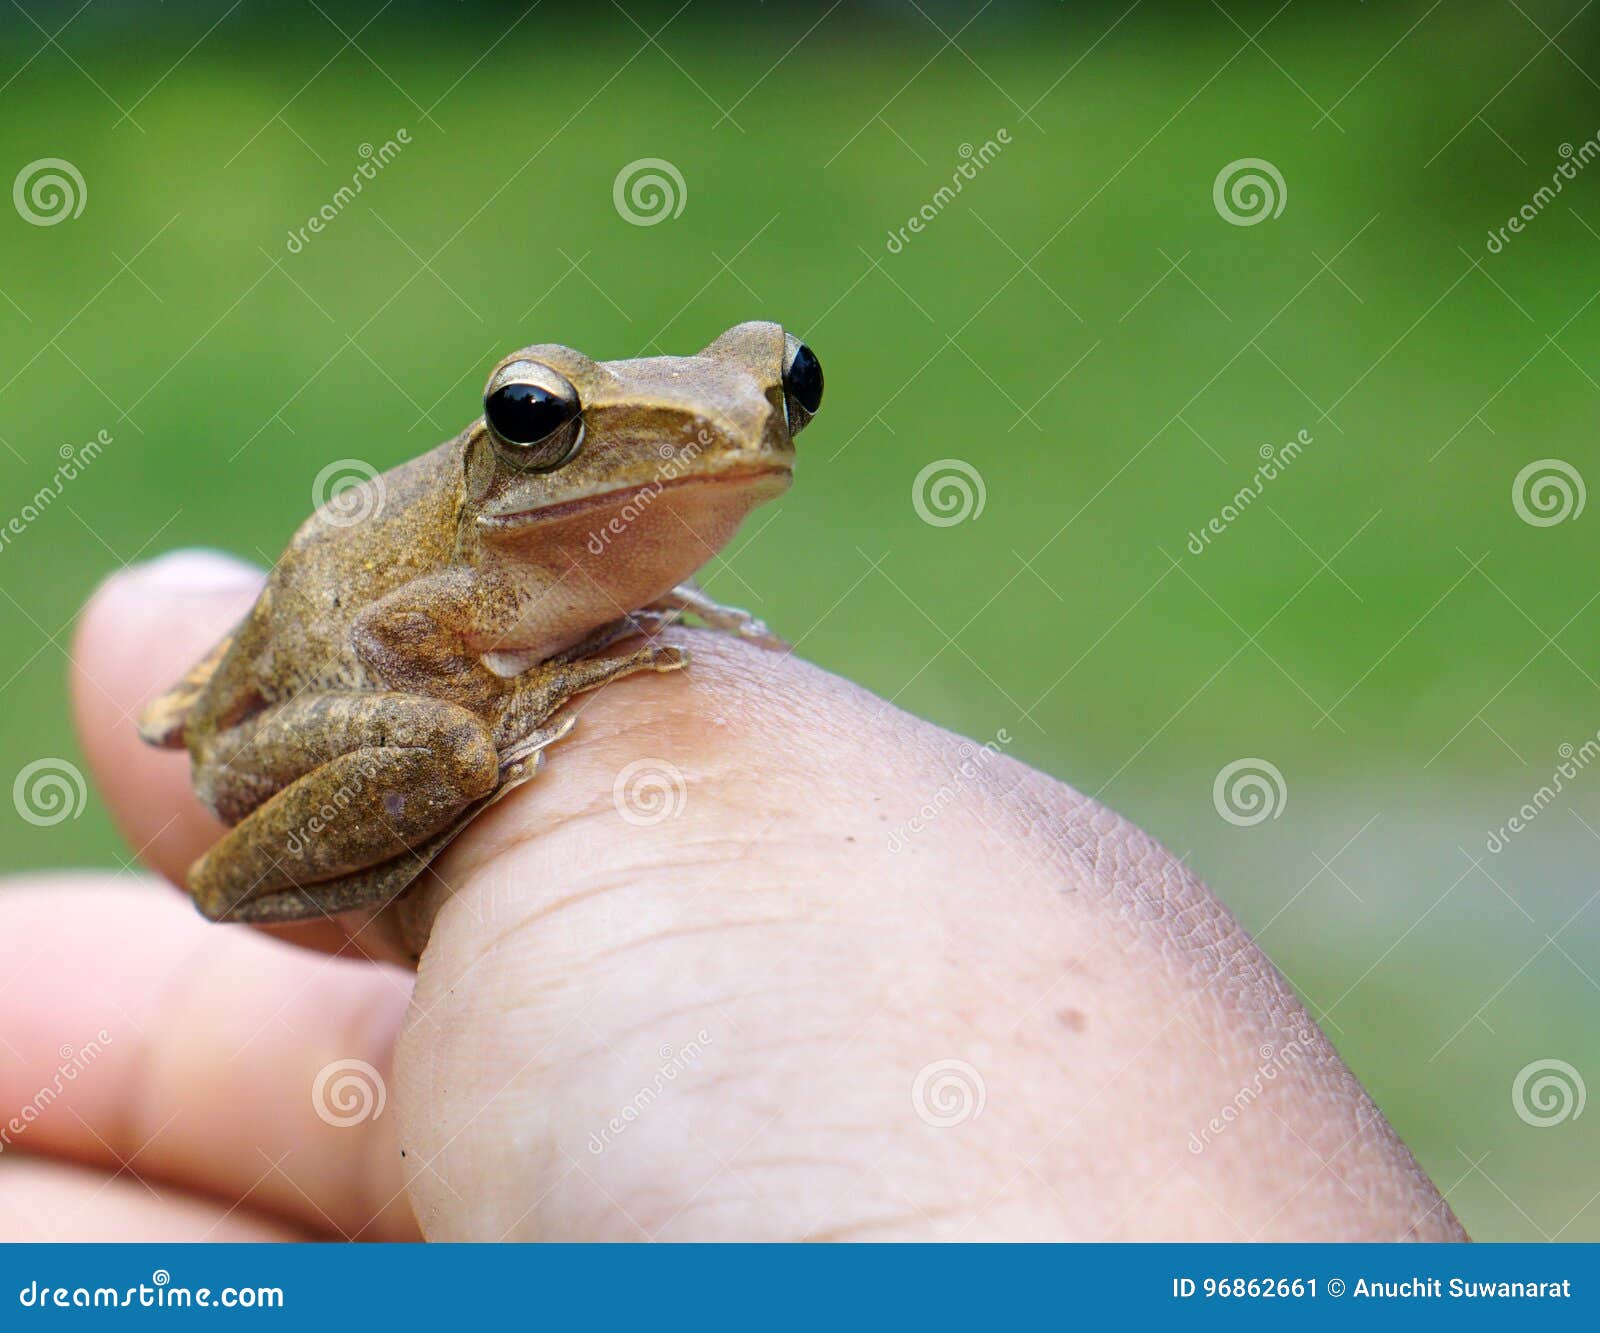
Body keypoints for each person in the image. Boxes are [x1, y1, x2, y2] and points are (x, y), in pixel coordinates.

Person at [0, 551, 1466, 1241]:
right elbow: (394, 639)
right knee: (454, 737)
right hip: (317, 699)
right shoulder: (475, 555)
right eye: (536, 421)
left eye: (784, 393)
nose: (753, 430)